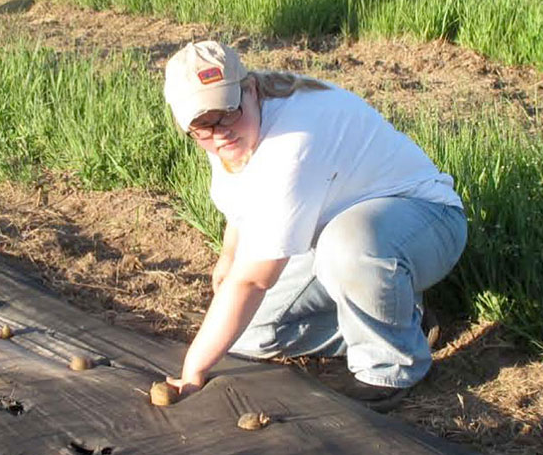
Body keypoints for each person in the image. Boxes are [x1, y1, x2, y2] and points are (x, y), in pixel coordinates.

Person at [161, 40, 467, 412]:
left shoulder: (293, 140)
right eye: (201, 125)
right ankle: (403, 319)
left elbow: (255, 279)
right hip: (336, 241)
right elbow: (245, 199)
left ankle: (391, 366)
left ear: (251, 88)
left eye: (226, 112)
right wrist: (229, 254)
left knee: (347, 245)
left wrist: (192, 371)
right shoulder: (231, 130)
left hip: (425, 221)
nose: (218, 132)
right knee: (249, 334)